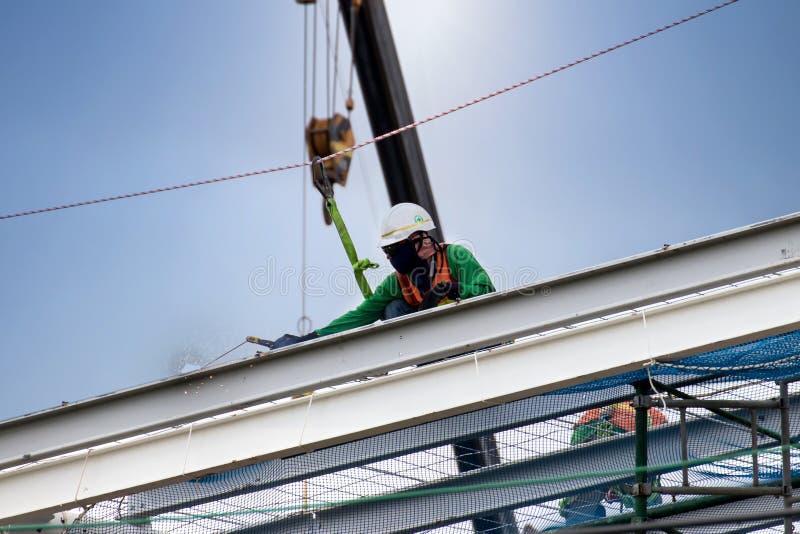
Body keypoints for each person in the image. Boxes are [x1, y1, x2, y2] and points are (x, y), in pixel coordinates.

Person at [272, 202, 495, 347]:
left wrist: (453, 288)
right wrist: (308, 340)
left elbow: (487, 292)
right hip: (433, 344)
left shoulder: (455, 256)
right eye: (387, 251)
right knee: (392, 308)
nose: (390, 257)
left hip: (470, 338)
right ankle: (419, 359)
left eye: (393, 249)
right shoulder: (398, 283)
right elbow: (360, 316)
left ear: (418, 239)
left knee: (398, 307)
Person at [558, 402, 666, 525]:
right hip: (632, 451)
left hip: (617, 449)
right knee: (648, 502)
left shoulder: (594, 415)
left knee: (584, 503)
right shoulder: (651, 413)